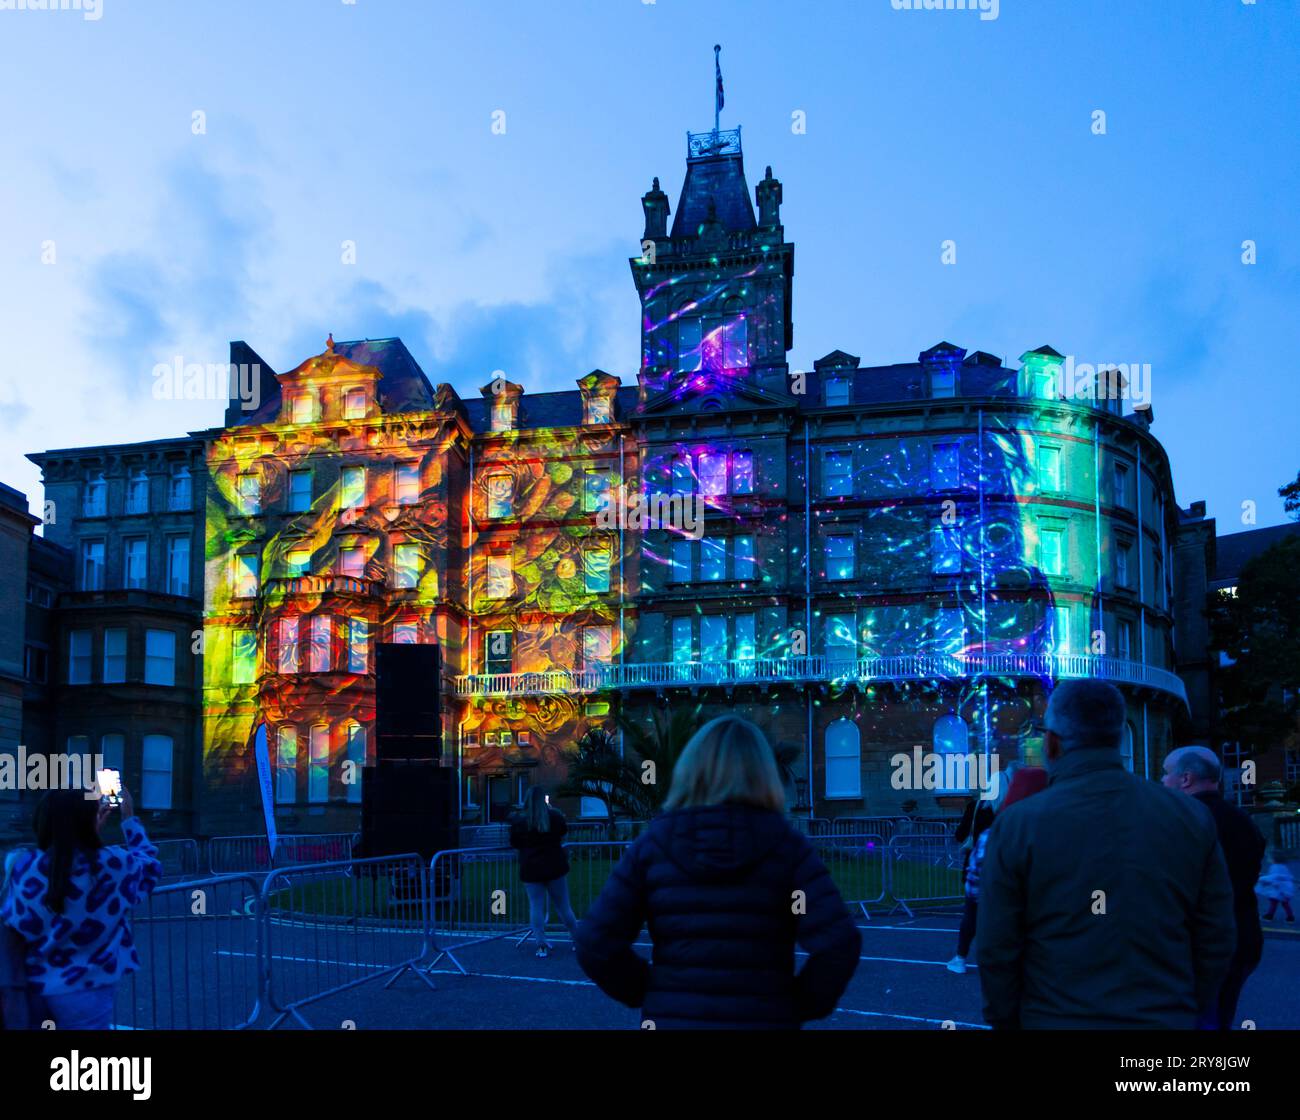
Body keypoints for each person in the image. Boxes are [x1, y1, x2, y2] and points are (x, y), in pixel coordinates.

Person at [976, 679, 1236, 1030]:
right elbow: (1216, 935)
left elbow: (997, 946)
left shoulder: (1018, 824)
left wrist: (1005, 1021)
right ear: (1116, 737)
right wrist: (1187, 1005)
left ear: (1053, 743)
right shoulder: (1190, 815)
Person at [575, 715, 861, 1029]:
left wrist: (651, 990)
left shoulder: (655, 845)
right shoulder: (786, 847)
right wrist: (795, 1003)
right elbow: (838, 943)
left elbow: (595, 943)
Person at [0, 785, 162, 1030]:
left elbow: (20, 926)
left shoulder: (25, 865)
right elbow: (150, 866)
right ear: (89, 820)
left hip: (35, 985)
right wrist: (128, 817)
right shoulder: (116, 864)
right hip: (88, 989)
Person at [1162, 745, 1266, 1030]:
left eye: (1166, 773)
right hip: (1244, 936)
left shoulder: (1181, 821)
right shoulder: (1244, 821)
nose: (1162, 781)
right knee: (1222, 1013)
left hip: (1199, 944)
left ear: (1185, 779)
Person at [948, 765, 1047, 975]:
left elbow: (959, 835)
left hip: (977, 866)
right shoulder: (1012, 811)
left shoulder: (976, 808)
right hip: (1006, 868)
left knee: (971, 915)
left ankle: (960, 957)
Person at [509, 787, 579, 958]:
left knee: (536, 907)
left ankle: (541, 944)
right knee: (563, 906)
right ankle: (577, 940)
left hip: (531, 869)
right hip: (555, 866)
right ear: (544, 800)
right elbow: (563, 833)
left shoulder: (520, 821)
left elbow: (515, 843)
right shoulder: (555, 817)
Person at [1256, 858, 1295, 923]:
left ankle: (1269, 916)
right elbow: (1286, 877)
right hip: (1285, 888)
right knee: (1285, 903)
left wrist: (1265, 880)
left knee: (1274, 903)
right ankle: (1290, 917)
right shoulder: (1284, 867)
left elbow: (1273, 877)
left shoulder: (1274, 867)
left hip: (1277, 889)